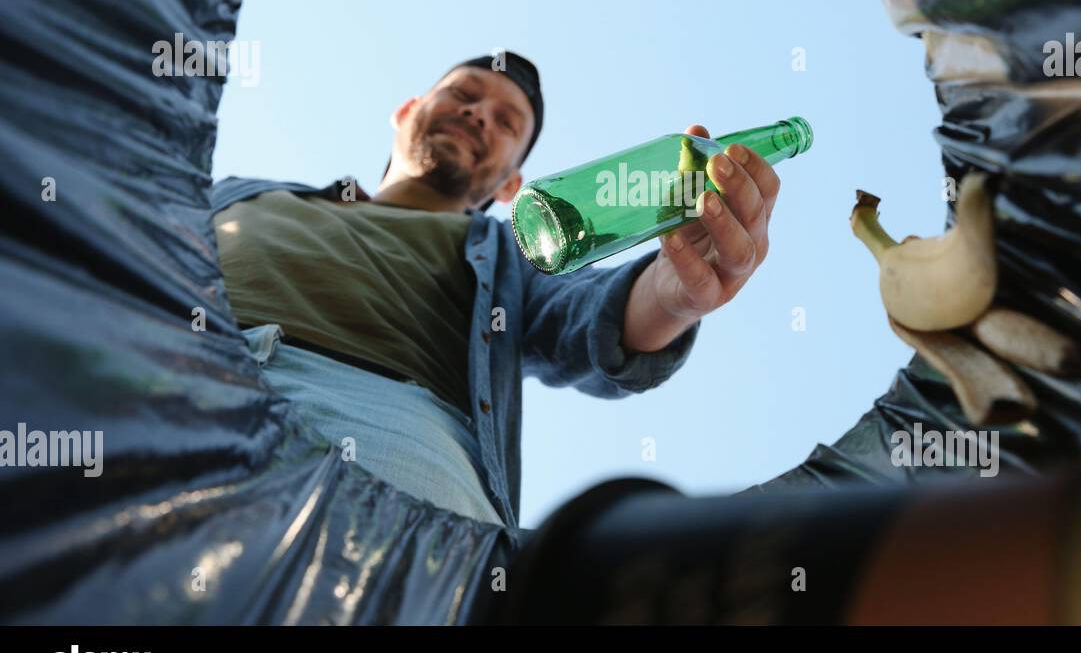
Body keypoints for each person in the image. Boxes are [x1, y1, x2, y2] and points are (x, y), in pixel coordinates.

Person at [210, 51, 782, 530]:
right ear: (408, 110)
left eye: (507, 122)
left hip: (391, 443)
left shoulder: (508, 258)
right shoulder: (245, 194)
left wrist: (672, 289)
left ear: (512, 185)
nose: (480, 113)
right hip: (182, 364)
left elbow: (589, 317)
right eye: (464, 93)